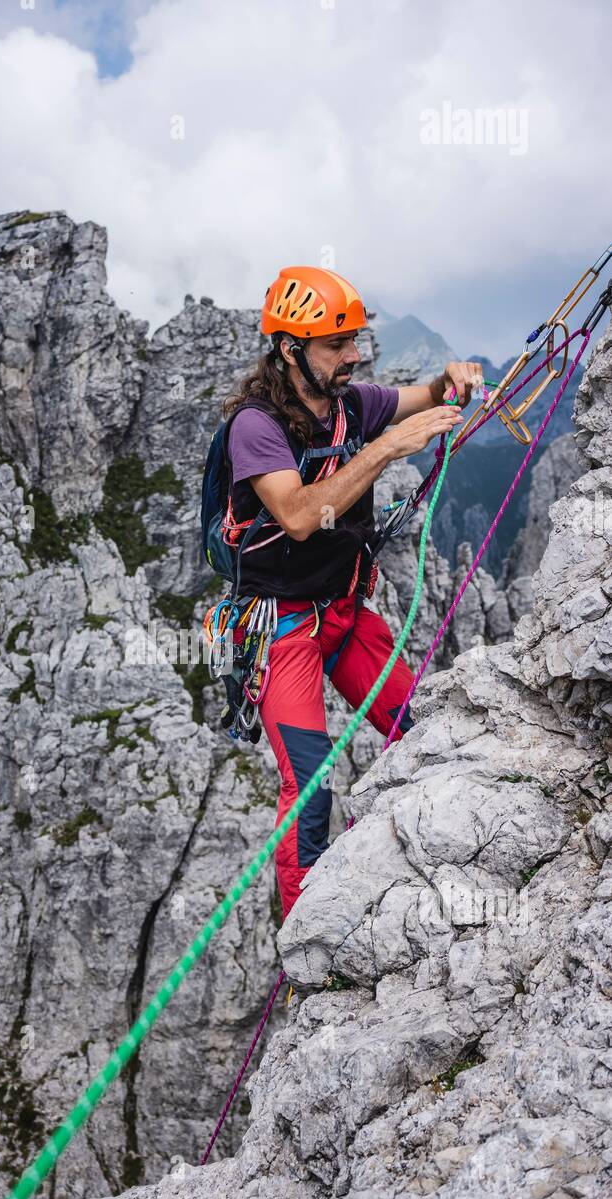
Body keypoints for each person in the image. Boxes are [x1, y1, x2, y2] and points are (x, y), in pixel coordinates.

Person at [223, 265, 480, 918]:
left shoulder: (353, 405)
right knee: (308, 785)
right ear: (289, 350)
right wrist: (387, 449)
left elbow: (421, 395)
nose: (353, 355)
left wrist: (452, 380)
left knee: (423, 731)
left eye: (355, 340)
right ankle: (307, 941)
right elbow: (301, 516)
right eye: (336, 345)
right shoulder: (255, 428)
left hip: (344, 615)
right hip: (284, 632)